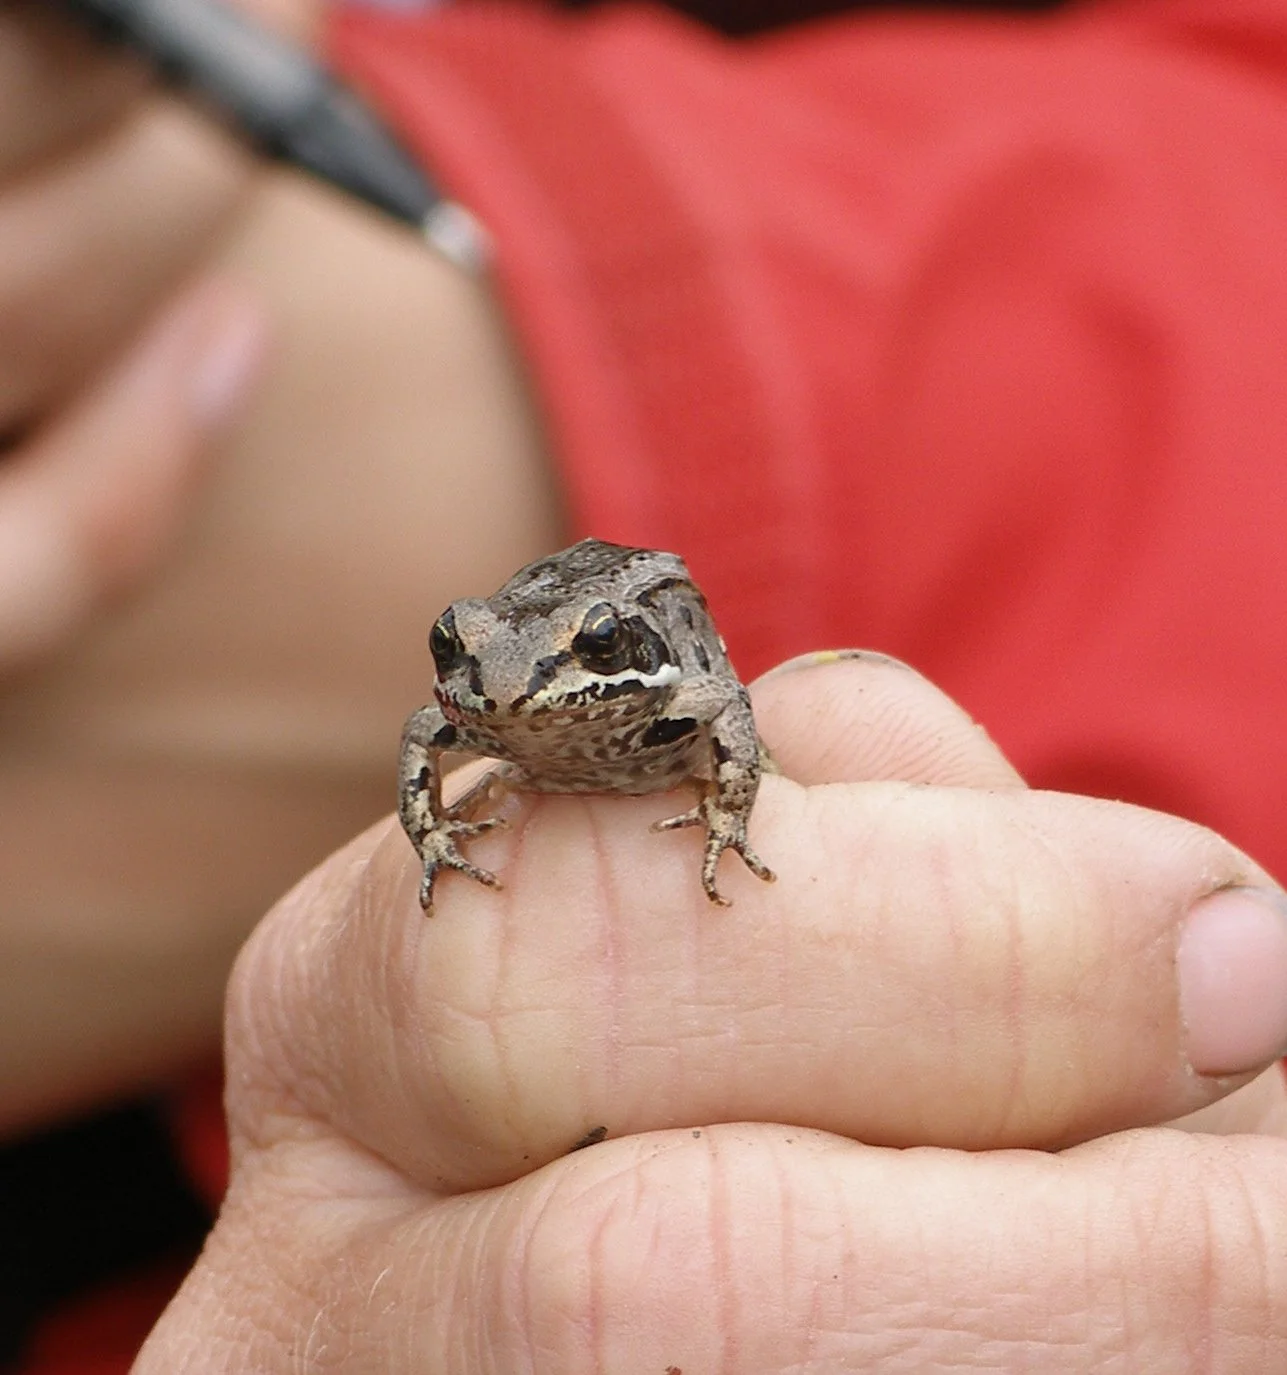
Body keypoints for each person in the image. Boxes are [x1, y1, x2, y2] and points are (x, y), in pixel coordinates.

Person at [1, 0, 1286, 1367]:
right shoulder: (474, 703)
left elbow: (742, 707)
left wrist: (626, 355)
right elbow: (427, 741)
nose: (478, 694)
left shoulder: (671, 679)